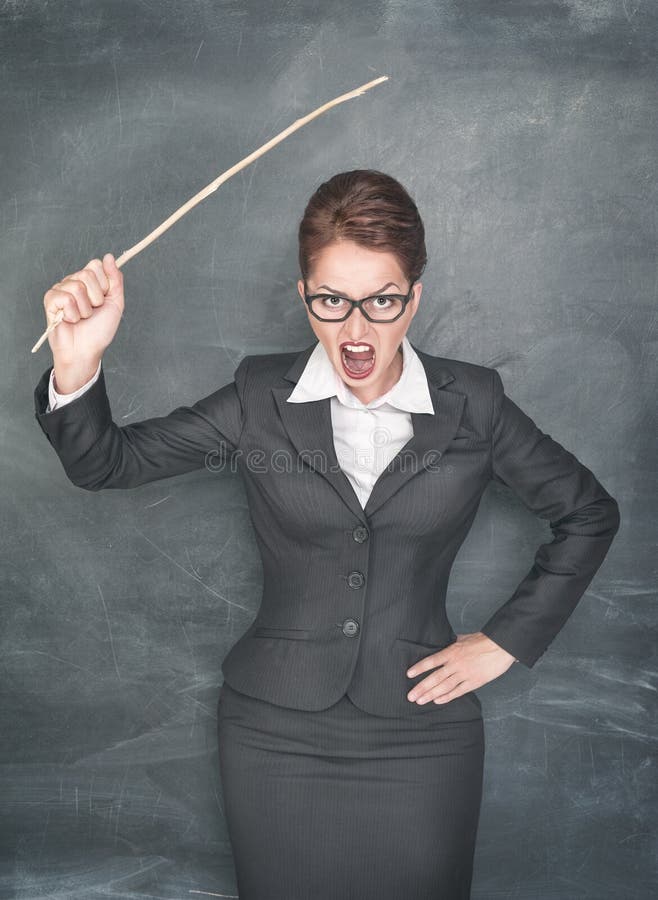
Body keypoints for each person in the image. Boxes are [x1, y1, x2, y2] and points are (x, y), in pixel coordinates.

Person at [33, 169, 620, 899]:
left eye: (383, 301)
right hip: (273, 735)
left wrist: (505, 641)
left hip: (422, 733)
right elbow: (105, 463)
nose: (356, 328)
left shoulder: (474, 402)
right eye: (332, 300)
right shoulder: (259, 397)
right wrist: (78, 362)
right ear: (303, 294)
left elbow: (588, 513)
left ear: (415, 297)